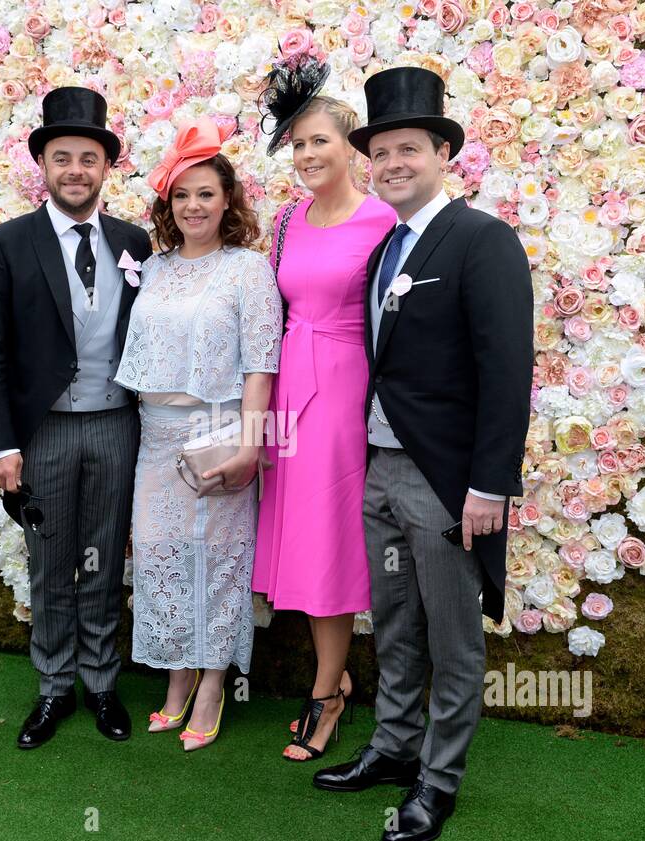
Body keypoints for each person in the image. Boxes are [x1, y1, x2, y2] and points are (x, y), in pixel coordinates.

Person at [312, 67, 534, 841]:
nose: (393, 162)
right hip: (379, 469)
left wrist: (487, 487)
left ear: (444, 153)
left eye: (410, 147)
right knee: (396, 624)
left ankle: (436, 781)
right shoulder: (385, 250)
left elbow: (508, 372)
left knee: (453, 636)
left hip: (445, 483)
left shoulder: (482, 240)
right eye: (381, 151)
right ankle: (394, 745)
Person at [0, 87, 152, 750]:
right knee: (50, 560)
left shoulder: (135, 242)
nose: (76, 169)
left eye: (88, 158)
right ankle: (53, 688)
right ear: (42, 166)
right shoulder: (8, 243)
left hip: (117, 425)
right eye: (62, 157)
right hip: (43, 430)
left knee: (105, 559)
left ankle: (102, 682)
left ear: (107, 167)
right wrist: (1, 445)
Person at [114, 116, 282, 751]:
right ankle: (176, 677)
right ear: (168, 204)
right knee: (160, 558)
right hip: (155, 437)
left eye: (205, 193)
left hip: (219, 432)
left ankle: (212, 683)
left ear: (227, 200)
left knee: (218, 561)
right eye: (181, 195)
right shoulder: (153, 271)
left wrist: (251, 444)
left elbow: (261, 365)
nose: (193, 206)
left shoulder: (248, 270)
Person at [253, 60, 397, 762]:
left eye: (320, 142)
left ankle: (328, 693)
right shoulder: (285, 220)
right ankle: (331, 677)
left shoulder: (384, 221)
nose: (308, 155)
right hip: (287, 391)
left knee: (329, 541)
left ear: (353, 149)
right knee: (297, 539)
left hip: (344, 394)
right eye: (298, 143)